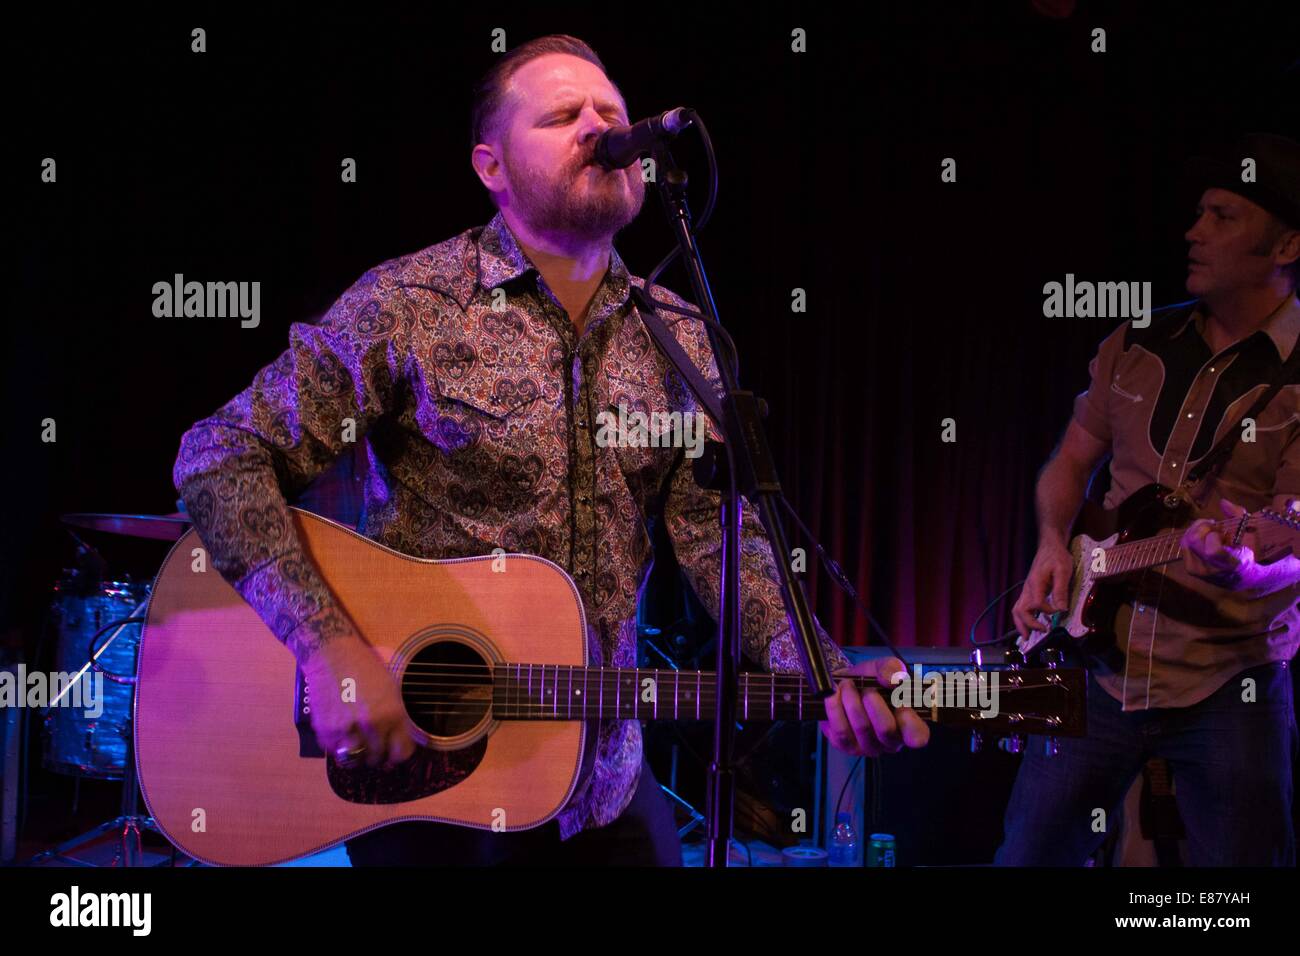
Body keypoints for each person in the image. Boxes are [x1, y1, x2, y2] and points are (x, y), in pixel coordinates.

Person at [172, 33, 929, 867]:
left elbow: (722, 541)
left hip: (604, 783)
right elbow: (219, 453)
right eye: (565, 115)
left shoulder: (678, 334)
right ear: (492, 167)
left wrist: (822, 670)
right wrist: (329, 647)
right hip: (432, 777)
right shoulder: (410, 305)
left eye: (611, 111)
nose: (602, 127)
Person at [998, 133, 1300, 866]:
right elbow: (1069, 463)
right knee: (1027, 857)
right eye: (1198, 212)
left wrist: (1246, 571)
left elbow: (1290, 538)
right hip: (1097, 666)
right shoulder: (1137, 339)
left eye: (1222, 217)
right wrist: (1050, 543)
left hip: (1231, 681)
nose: (1193, 232)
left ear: (1285, 243)